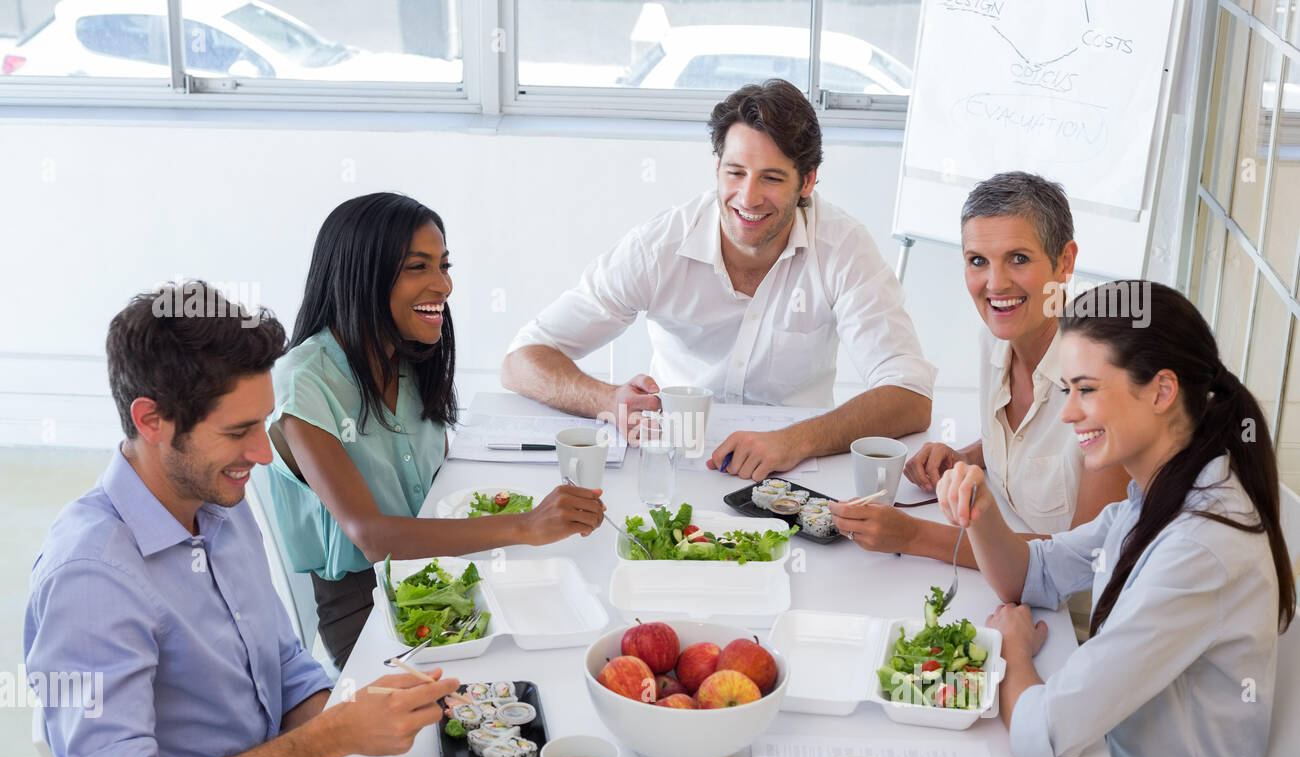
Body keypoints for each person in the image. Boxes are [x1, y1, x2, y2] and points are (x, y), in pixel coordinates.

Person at [23, 282, 460, 757]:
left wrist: (363, 711)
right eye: (237, 432)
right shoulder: (91, 582)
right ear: (151, 420)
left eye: (262, 423)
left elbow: (283, 668)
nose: (262, 453)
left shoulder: (216, 505)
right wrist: (331, 738)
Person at [934, 281, 1294, 757]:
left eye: (1086, 391)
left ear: (1161, 391)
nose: (1068, 412)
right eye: (1065, 390)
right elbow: (1033, 574)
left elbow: (1042, 728)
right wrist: (979, 510)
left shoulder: (1200, 548)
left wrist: (1016, 655)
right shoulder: (1158, 493)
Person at [500, 78, 936, 480]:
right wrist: (606, 400)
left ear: (807, 182)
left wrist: (796, 441)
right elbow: (521, 361)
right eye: (736, 172)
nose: (748, 197)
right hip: (673, 462)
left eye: (771, 177)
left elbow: (910, 395)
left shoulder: (844, 247)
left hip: (797, 470)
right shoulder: (660, 246)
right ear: (717, 168)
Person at [269, 193, 606, 670]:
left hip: (440, 574)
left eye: (444, 266)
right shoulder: (304, 379)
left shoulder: (409, 356)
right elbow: (373, 537)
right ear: (363, 275)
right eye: (417, 267)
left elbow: (438, 480)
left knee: (572, 636)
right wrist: (525, 526)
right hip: (366, 605)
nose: (442, 285)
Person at [830, 172, 1129, 569]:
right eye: (977, 261)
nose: (995, 283)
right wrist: (967, 455)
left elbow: (1084, 559)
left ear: (1065, 262)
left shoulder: (1106, 387)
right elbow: (1029, 447)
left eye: (1018, 259)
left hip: (1073, 620)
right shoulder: (998, 336)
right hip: (1003, 579)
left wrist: (915, 535)